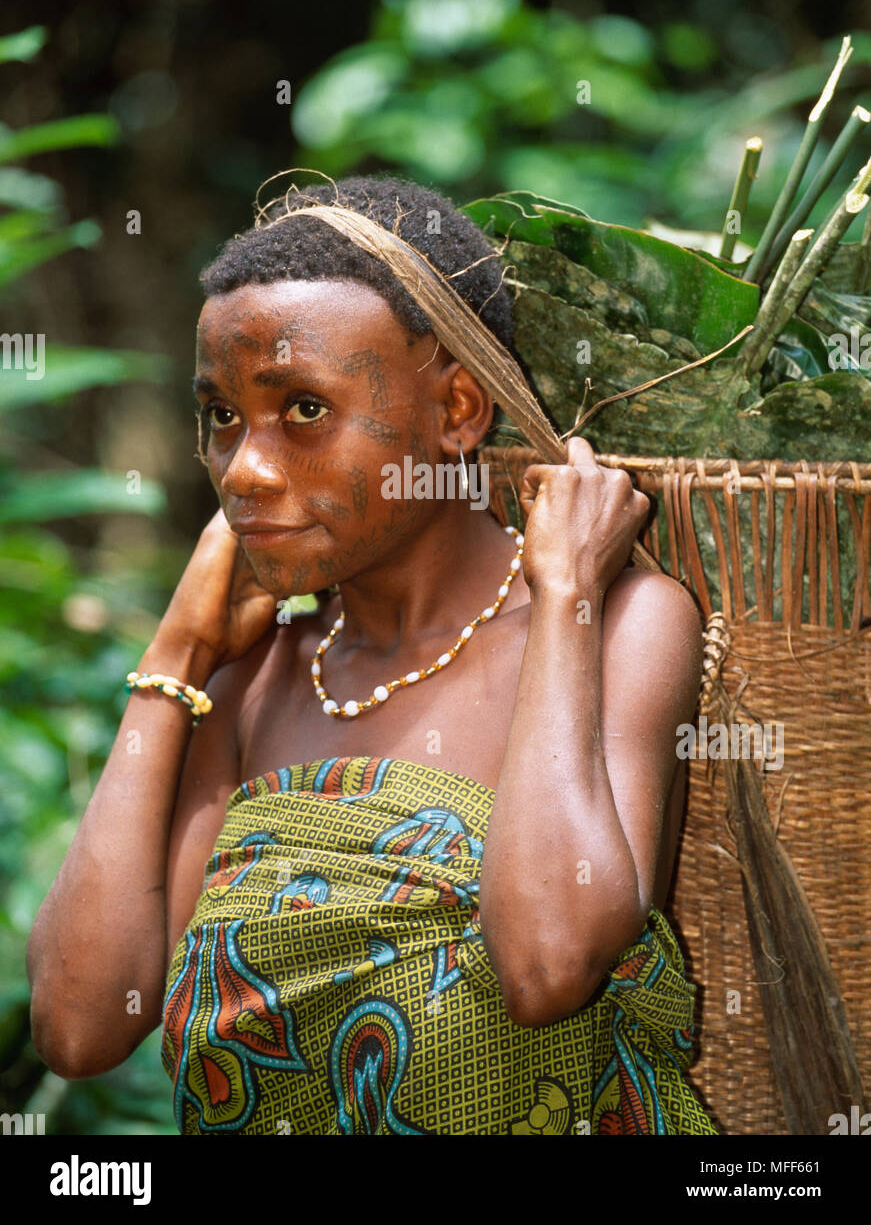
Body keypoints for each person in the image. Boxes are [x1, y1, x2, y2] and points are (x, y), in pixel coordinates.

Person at [28, 175, 717, 1135]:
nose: (245, 469)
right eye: (222, 415)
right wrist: (176, 662)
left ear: (459, 411)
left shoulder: (620, 625)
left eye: (302, 410)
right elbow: (80, 1025)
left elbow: (546, 965)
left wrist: (565, 598)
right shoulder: (252, 681)